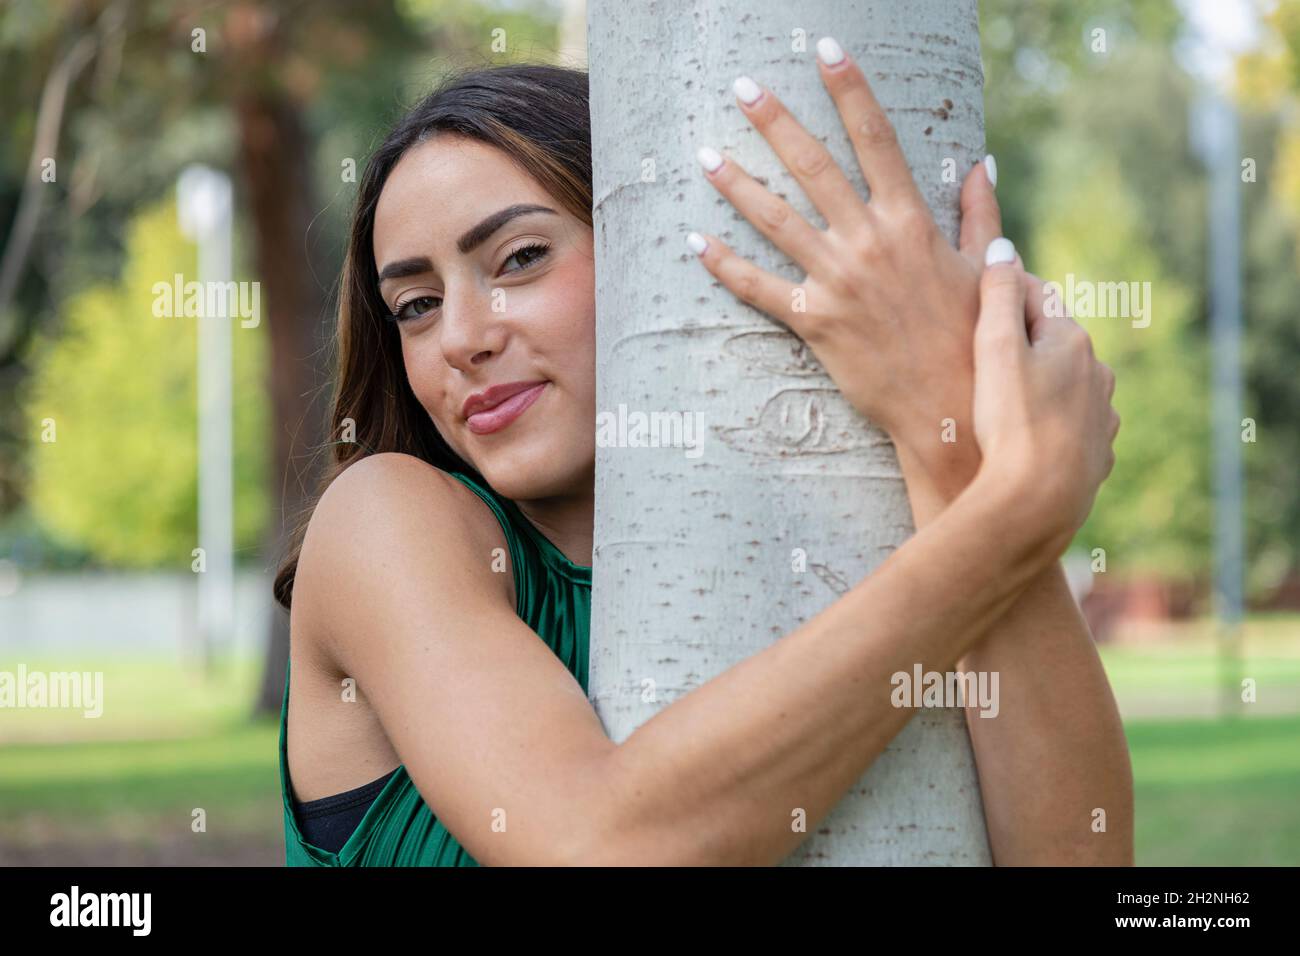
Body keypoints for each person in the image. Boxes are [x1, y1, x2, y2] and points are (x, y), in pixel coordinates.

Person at [272, 40, 1130, 866]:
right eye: (416, 305)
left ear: (651, 258)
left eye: (521, 258)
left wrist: (957, 454)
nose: (460, 337)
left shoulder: (848, 529)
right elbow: (601, 846)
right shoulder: (383, 522)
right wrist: (1016, 506)